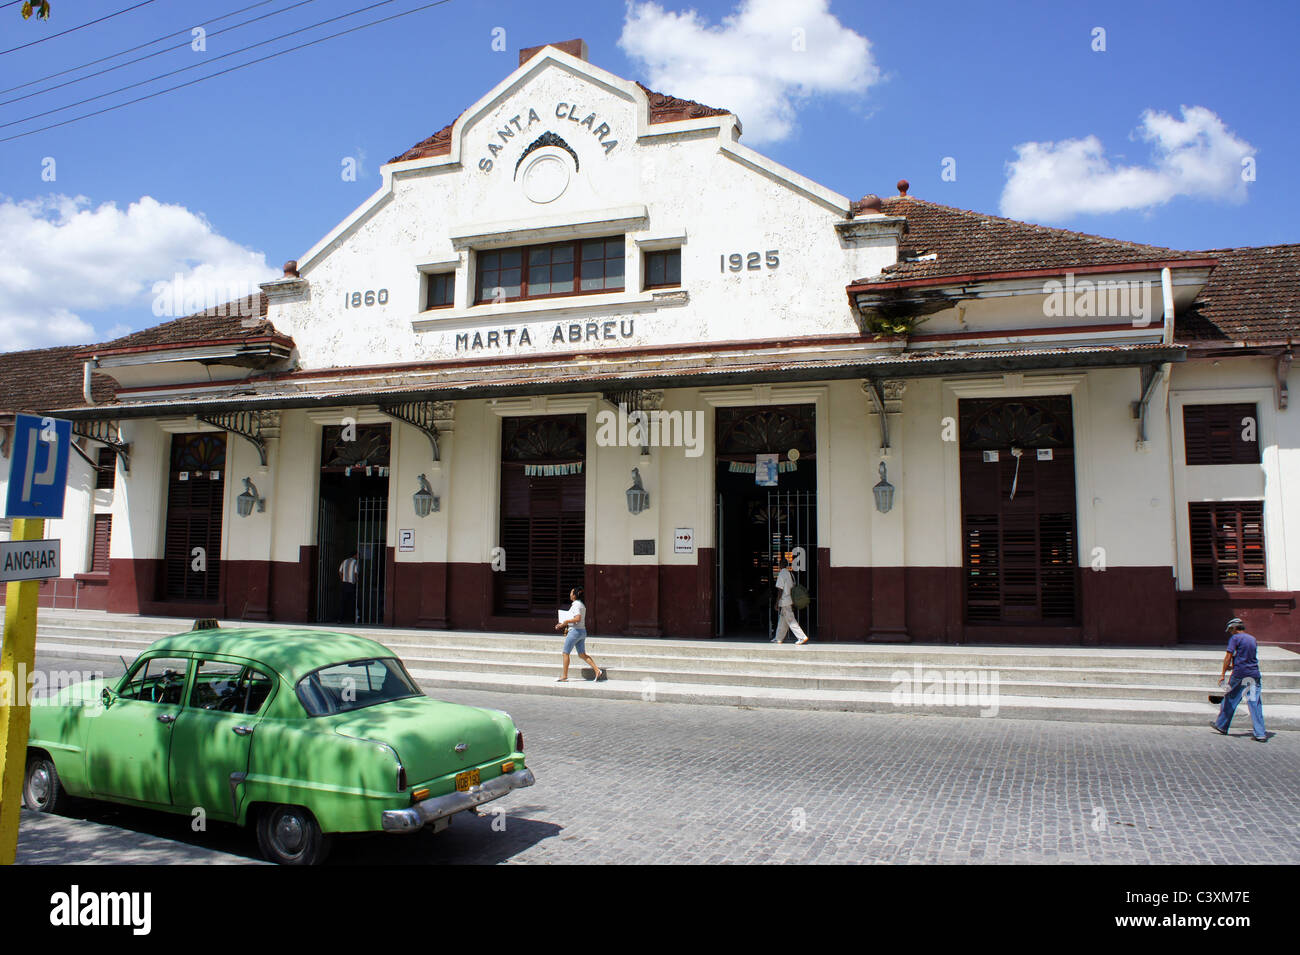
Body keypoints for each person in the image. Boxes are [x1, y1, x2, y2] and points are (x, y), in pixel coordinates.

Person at [1213, 617, 1267, 742]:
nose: (1230, 633)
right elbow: (1247, 657)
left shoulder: (1235, 638)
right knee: (1255, 703)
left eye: (1230, 630)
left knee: (1230, 699)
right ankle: (1260, 733)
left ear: (1234, 628)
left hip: (1239, 675)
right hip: (1253, 675)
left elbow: (1228, 656)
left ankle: (1222, 725)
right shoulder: (1252, 639)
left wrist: (1223, 674)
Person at [554, 585, 604, 682]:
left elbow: (577, 618)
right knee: (582, 654)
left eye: (571, 592)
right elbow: (572, 618)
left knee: (565, 653)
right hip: (582, 631)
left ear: (574, 595)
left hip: (575, 632)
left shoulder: (576, 605)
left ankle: (564, 676)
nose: (570, 594)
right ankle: (597, 671)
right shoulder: (581, 605)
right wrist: (562, 624)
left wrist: (566, 622)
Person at [771, 555, 809, 645]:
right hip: (790, 600)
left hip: (784, 601)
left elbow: (780, 589)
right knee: (783, 620)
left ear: (780, 565)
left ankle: (802, 637)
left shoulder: (781, 574)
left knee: (791, 620)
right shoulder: (791, 574)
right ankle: (778, 638)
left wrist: (776, 602)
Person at [338, 551, 358, 624]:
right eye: (357, 555)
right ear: (355, 555)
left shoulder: (344, 561)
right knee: (352, 602)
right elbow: (356, 573)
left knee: (342, 601)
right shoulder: (355, 562)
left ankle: (340, 619)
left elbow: (340, 571)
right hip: (351, 584)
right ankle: (352, 619)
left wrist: (342, 579)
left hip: (344, 584)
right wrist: (355, 581)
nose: (358, 556)